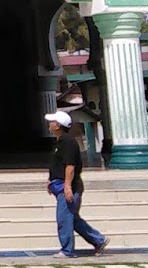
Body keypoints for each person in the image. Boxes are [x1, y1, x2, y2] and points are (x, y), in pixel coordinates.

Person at [46, 110, 108, 258]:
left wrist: (67, 186)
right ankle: (98, 240)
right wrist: (50, 180)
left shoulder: (68, 142)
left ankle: (67, 250)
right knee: (72, 218)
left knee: (64, 219)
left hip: (67, 187)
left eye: (52, 122)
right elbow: (58, 164)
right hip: (59, 185)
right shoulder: (60, 141)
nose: (49, 124)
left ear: (58, 125)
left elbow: (70, 166)